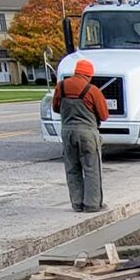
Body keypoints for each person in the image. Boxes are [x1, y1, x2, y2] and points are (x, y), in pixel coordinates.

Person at [52, 58, 109, 213]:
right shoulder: (92, 90)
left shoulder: (61, 87)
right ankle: (92, 204)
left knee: (72, 168)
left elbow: (56, 108)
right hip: (87, 133)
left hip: (67, 132)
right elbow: (104, 115)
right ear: (89, 75)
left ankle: (77, 203)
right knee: (91, 168)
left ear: (76, 72)